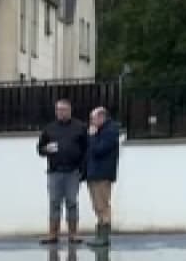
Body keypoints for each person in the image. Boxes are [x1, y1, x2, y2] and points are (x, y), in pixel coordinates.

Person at [36, 98, 87, 245]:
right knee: (54, 202)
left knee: (71, 202)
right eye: (58, 110)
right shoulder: (49, 128)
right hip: (55, 172)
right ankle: (53, 234)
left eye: (64, 109)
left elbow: (86, 149)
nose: (61, 112)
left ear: (70, 110)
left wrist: (82, 170)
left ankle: (73, 234)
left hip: (73, 172)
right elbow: (40, 148)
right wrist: (45, 149)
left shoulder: (80, 127)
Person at [83, 105, 123, 248]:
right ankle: (100, 235)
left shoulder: (110, 131)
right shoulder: (100, 130)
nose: (91, 122)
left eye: (92, 118)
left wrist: (93, 137)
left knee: (103, 205)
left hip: (102, 174)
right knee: (97, 206)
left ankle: (104, 237)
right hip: (93, 174)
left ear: (101, 117)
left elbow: (99, 150)